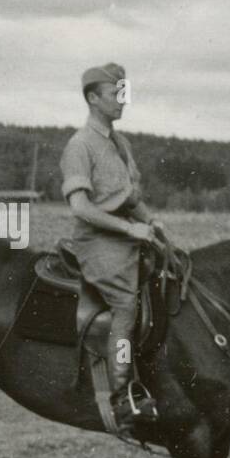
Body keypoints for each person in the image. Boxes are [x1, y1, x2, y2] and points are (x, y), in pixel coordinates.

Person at [58, 63, 165, 437]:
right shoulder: (79, 145)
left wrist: (151, 223)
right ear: (92, 98)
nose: (122, 101)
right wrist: (130, 229)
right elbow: (81, 208)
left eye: (123, 93)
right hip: (97, 240)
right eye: (115, 94)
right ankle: (122, 395)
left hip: (127, 234)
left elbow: (131, 197)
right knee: (125, 304)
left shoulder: (120, 143)